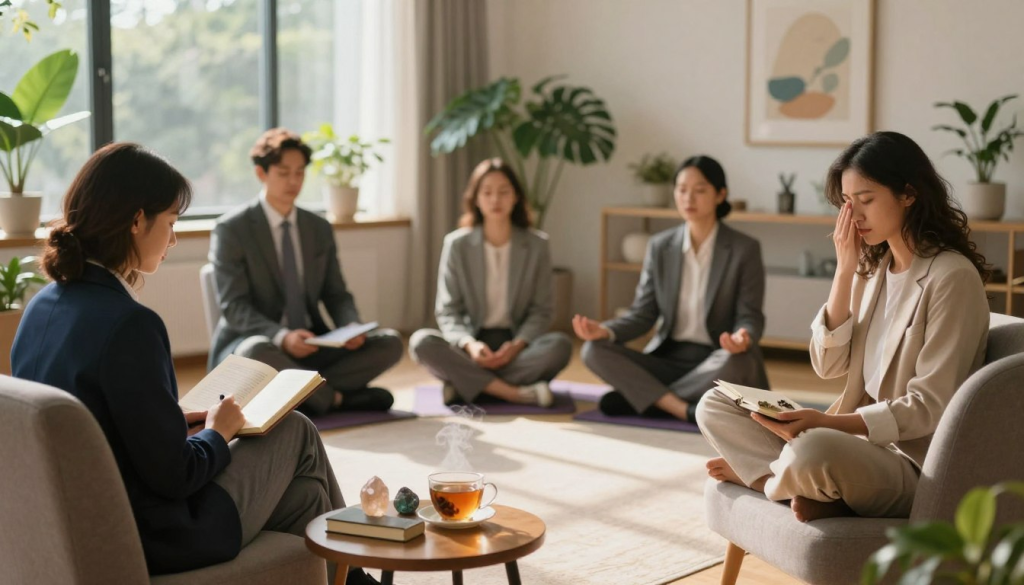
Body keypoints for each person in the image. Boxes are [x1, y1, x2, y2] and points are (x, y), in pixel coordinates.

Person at [10, 143, 378, 583]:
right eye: (171, 222)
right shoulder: (130, 325)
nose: (174, 238)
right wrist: (217, 432)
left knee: (304, 497)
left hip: (84, 519)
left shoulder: (41, 306)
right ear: (136, 221)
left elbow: (99, 420)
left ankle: (351, 580)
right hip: (158, 535)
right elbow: (176, 475)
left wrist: (170, 419)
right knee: (296, 430)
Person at [697, 131, 990, 522]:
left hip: (909, 461)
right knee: (714, 404)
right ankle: (795, 483)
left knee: (813, 450)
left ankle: (764, 480)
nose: (855, 216)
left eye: (866, 200)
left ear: (909, 193)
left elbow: (928, 409)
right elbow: (827, 364)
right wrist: (845, 268)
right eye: (848, 204)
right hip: (851, 441)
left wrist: (827, 423)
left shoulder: (951, 277)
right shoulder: (875, 271)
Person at [208, 128, 401, 415]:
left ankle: (300, 396)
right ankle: (336, 399)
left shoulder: (318, 228)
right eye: (284, 172)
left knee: (390, 343)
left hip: (313, 345)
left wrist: (351, 327)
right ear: (261, 174)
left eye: (300, 172)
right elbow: (234, 308)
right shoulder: (231, 229)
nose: (293, 181)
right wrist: (282, 336)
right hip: (261, 346)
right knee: (256, 350)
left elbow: (336, 294)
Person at [574, 155, 769, 422]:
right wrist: (606, 330)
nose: (688, 198)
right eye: (681, 189)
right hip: (667, 360)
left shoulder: (744, 249)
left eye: (699, 190)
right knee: (592, 350)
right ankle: (682, 408)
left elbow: (750, 315)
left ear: (720, 195)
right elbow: (643, 314)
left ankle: (650, 399)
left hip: (717, 359)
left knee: (741, 362)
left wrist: (742, 337)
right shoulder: (660, 246)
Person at [409, 158, 573, 406]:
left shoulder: (537, 245)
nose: (495, 200)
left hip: (517, 344)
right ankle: (514, 393)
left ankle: (465, 384)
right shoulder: (457, 245)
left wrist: (516, 346)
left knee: (560, 346)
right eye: (487, 192)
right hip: (470, 345)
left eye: (504, 192)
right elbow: (448, 310)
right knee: (421, 342)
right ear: (475, 198)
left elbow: (542, 310)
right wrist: (470, 346)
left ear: (516, 196)